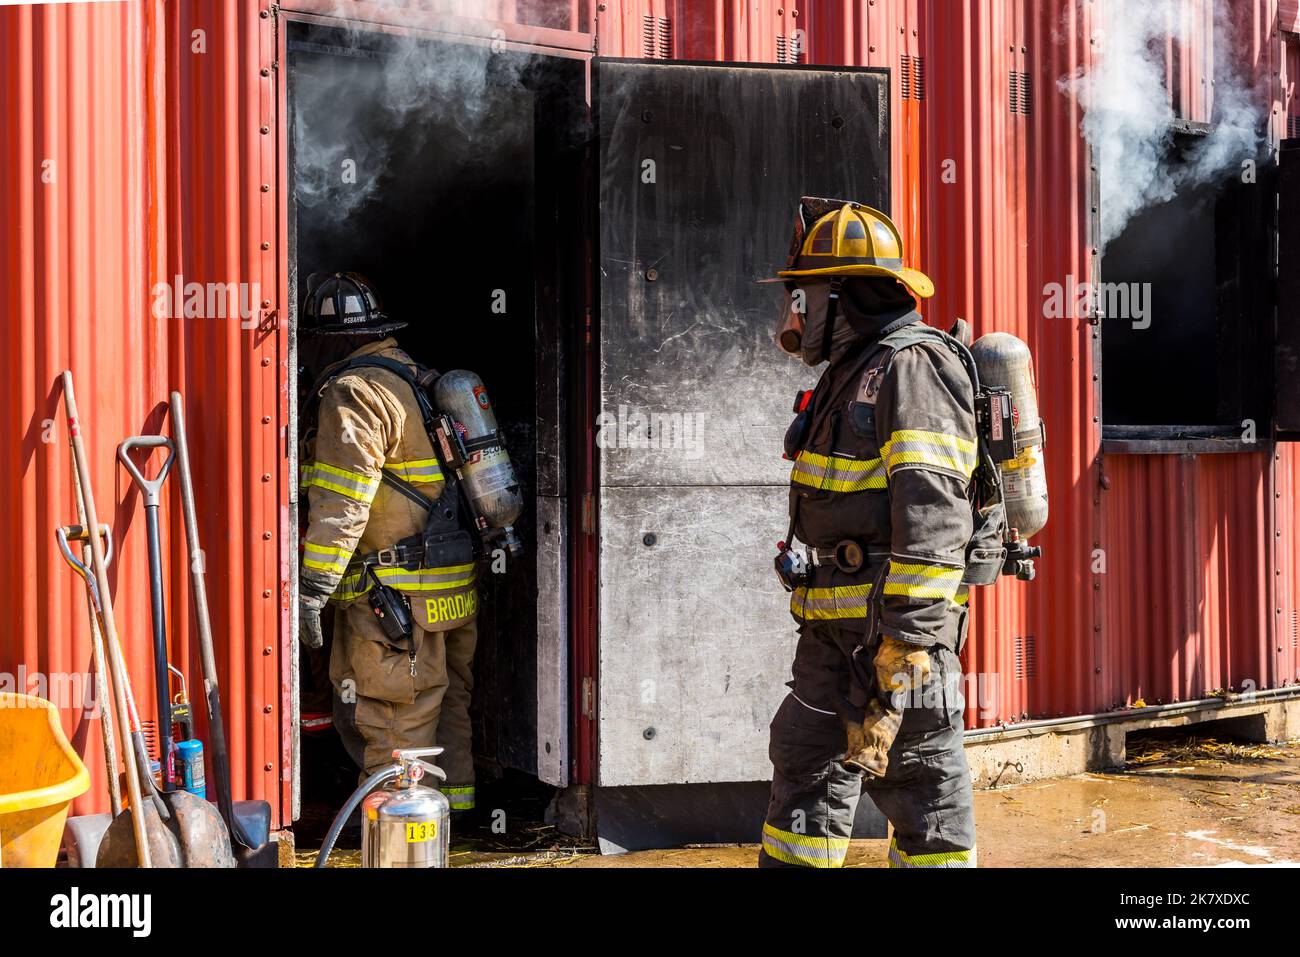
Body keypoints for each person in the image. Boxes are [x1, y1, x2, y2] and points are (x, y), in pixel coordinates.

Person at [760, 199, 978, 868]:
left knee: (922, 797)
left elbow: (935, 515)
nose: (795, 313)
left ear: (846, 292)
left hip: (892, 645)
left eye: (805, 294)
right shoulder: (850, 371)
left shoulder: (912, 367)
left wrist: (907, 642)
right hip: (832, 639)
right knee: (804, 768)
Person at [297, 271, 478, 812]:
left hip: (393, 599)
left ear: (328, 338)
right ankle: (453, 822)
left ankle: (399, 833)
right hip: (450, 591)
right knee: (446, 708)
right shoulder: (421, 378)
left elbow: (343, 502)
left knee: (394, 715)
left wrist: (313, 588)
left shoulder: (354, 393)